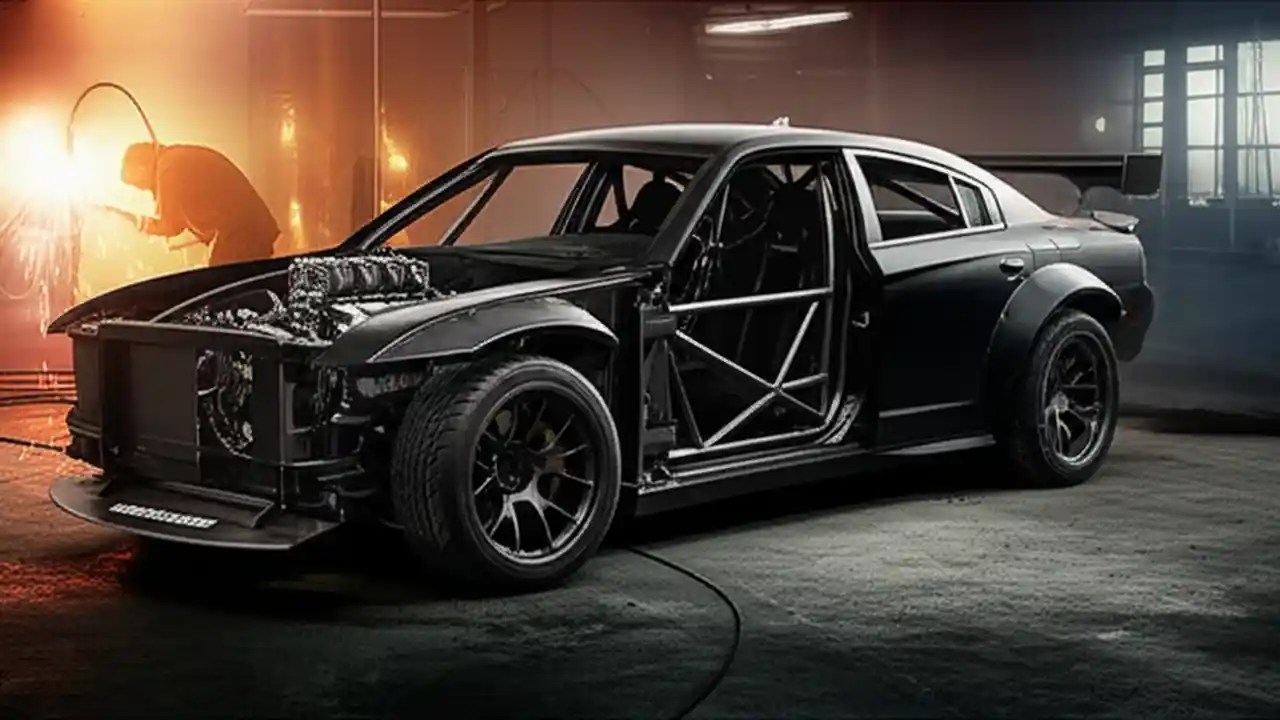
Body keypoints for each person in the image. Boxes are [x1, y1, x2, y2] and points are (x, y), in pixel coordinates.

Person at [100, 143, 279, 266]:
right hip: (248, 229)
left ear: (142, 168)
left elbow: (170, 225)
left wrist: (132, 223)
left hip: (242, 234)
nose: (145, 190)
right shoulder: (175, 158)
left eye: (139, 184)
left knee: (221, 293)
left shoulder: (168, 169)